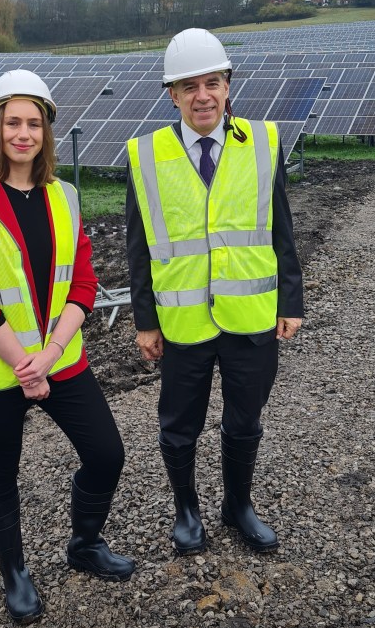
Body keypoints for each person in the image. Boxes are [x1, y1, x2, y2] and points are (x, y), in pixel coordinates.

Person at [0, 70, 135, 624]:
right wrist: (25, 366)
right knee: (0, 474)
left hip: (60, 361)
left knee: (106, 455)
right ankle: (15, 575)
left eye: (34, 123)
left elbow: (84, 283)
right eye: (12, 122)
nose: (24, 134)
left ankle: (84, 544)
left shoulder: (64, 196)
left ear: (46, 130)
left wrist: (49, 356)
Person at [125, 29, 303, 555]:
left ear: (228, 86)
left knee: (245, 420)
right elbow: (139, 250)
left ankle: (238, 505)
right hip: (182, 325)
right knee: (180, 425)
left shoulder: (264, 143)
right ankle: (186, 510)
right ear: (172, 95)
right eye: (188, 86)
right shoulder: (145, 156)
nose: (202, 95)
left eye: (212, 82)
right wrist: (145, 321)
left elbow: (281, 230)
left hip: (251, 317)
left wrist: (290, 301)